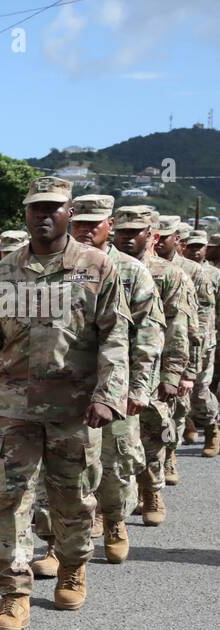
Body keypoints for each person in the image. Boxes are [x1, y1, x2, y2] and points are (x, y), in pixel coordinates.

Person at [0, 177, 129, 630]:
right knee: (11, 499)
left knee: (72, 497)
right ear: (25, 214)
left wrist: (108, 394)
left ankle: (73, 566)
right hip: (12, 405)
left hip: (75, 409)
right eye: (35, 208)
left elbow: (114, 338)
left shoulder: (97, 267)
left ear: (69, 212)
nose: (43, 215)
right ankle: (13, 594)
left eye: (53, 208)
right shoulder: (3, 272)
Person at [67, 195, 164, 564]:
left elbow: (149, 333)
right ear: (71, 222)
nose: (87, 230)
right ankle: (73, 531)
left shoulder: (130, 270)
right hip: (70, 387)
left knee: (117, 462)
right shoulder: (63, 266)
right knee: (73, 464)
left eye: (96, 223)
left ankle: (115, 520)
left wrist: (141, 387)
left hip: (119, 387)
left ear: (109, 225)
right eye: (81, 224)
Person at [111, 207, 193, 529]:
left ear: (152, 235)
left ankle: (151, 489)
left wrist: (175, 373)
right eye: (123, 232)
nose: (128, 238)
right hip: (111, 370)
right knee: (114, 440)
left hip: (153, 369)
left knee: (153, 435)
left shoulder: (169, 274)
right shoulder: (103, 268)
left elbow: (179, 328)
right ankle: (112, 503)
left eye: (136, 232)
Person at [152, 215, 204, 490]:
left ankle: (168, 455)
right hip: (135, 360)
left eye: (165, 237)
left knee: (173, 414)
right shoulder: (121, 266)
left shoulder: (188, 272)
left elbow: (192, 326)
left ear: (177, 240)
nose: (159, 242)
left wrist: (189, 371)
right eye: (155, 236)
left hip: (171, 356)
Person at [180, 228, 220, 456]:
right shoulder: (176, 269)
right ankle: (187, 426)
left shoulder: (212, 274)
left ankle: (212, 427)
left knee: (200, 391)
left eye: (199, 247)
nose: (194, 251)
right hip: (176, 342)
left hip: (203, 341)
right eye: (190, 246)